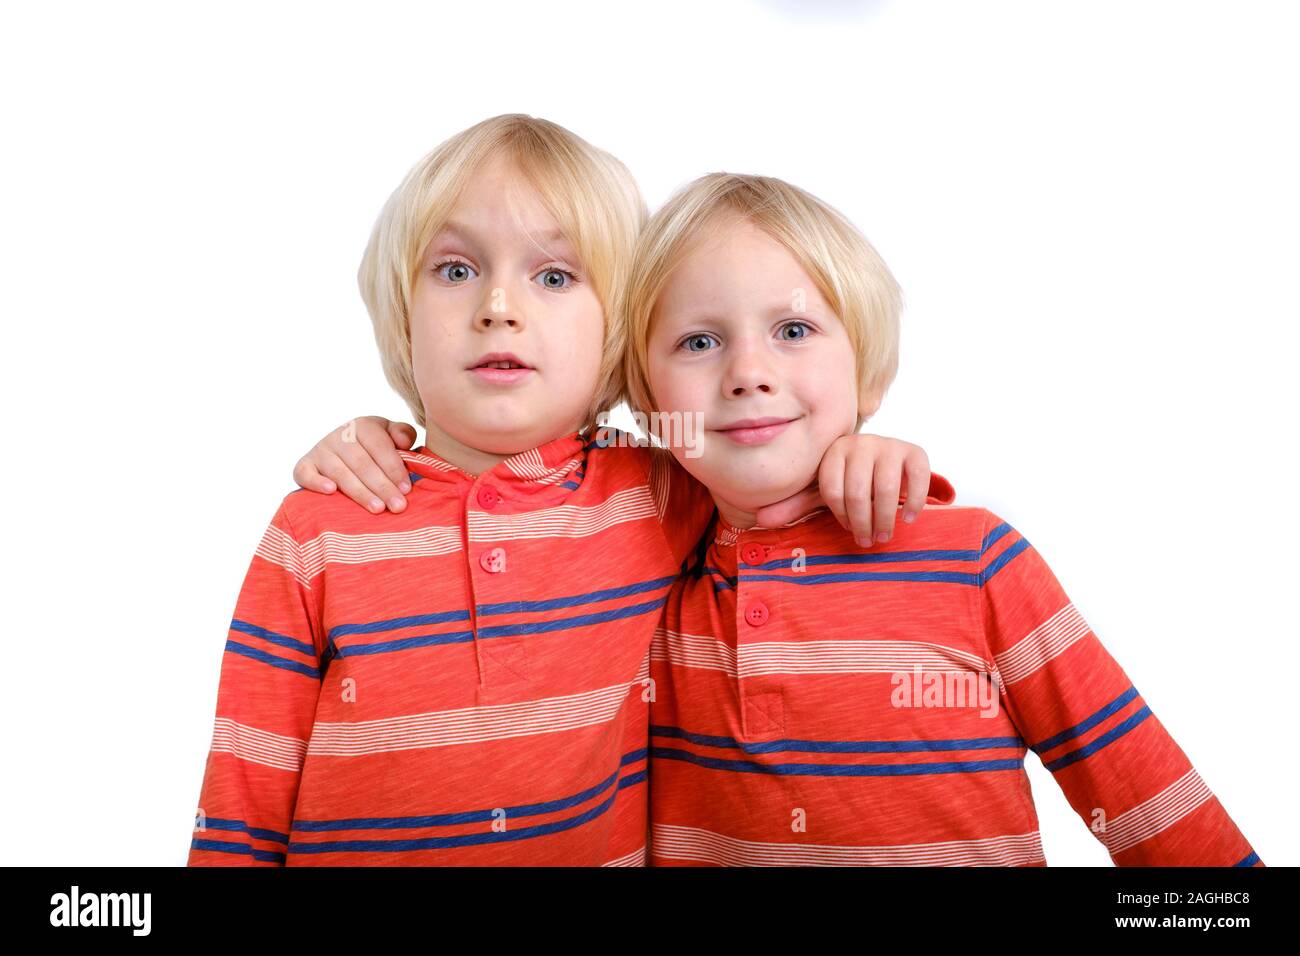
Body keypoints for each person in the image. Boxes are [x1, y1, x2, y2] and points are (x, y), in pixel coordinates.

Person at [189, 115, 933, 866]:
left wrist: (858, 455)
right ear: (400, 316)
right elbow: (244, 789)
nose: (498, 307)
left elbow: (772, 464)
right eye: (455, 270)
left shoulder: (663, 489)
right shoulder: (321, 522)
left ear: (620, 331)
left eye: (554, 276)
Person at [618, 172, 1262, 866]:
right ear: (648, 401)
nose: (748, 371)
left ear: (868, 374)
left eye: (794, 329)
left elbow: (1144, 793)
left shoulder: (975, 559)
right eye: (698, 342)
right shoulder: (638, 573)